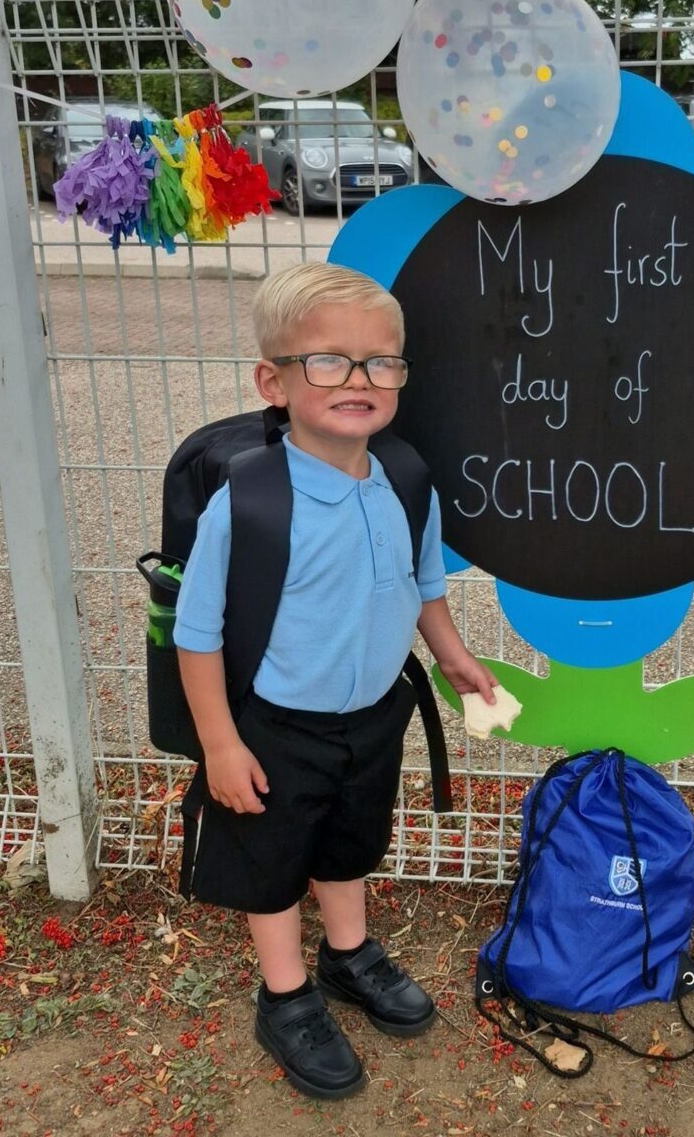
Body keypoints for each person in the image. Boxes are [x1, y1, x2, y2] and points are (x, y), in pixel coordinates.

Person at [174, 261, 497, 1101]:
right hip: (276, 726)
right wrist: (219, 742)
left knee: (351, 840)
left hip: (376, 714)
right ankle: (285, 996)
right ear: (272, 381)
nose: (358, 380)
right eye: (326, 360)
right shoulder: (247, 503)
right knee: (274, 860)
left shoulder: (406, 479)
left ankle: (348, 955)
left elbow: (424, 585)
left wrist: (453, 655)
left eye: (379, 361)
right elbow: (197, 629)